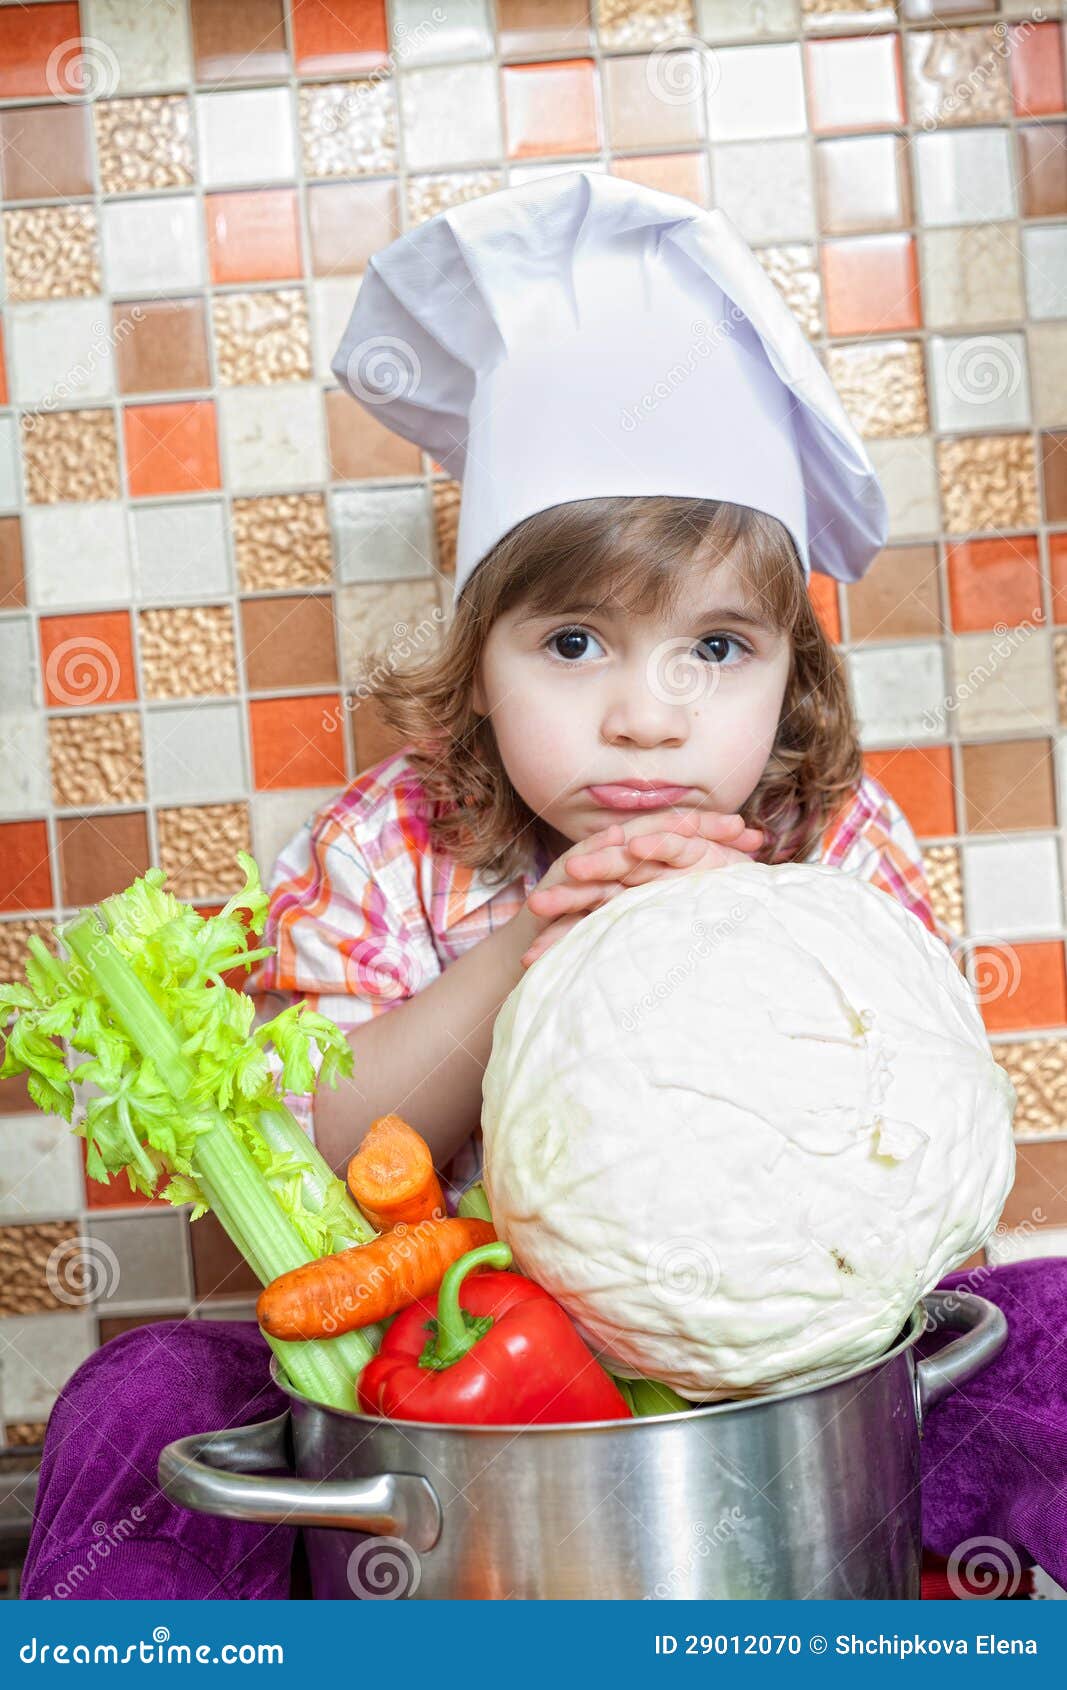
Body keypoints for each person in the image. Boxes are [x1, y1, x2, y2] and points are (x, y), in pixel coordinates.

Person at [18, 171, 1046, 1602]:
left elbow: (929, 1148)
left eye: (718, 648)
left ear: (792, 672)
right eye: (574, 644)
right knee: (143, 1400)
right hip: (446, 1379)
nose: (647, 715)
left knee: (1047, 1329)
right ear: (477, 662)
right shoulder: (397, 840)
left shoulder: (830, 835)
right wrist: (522, 956)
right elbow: (310, 1141)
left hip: (785, 1385)